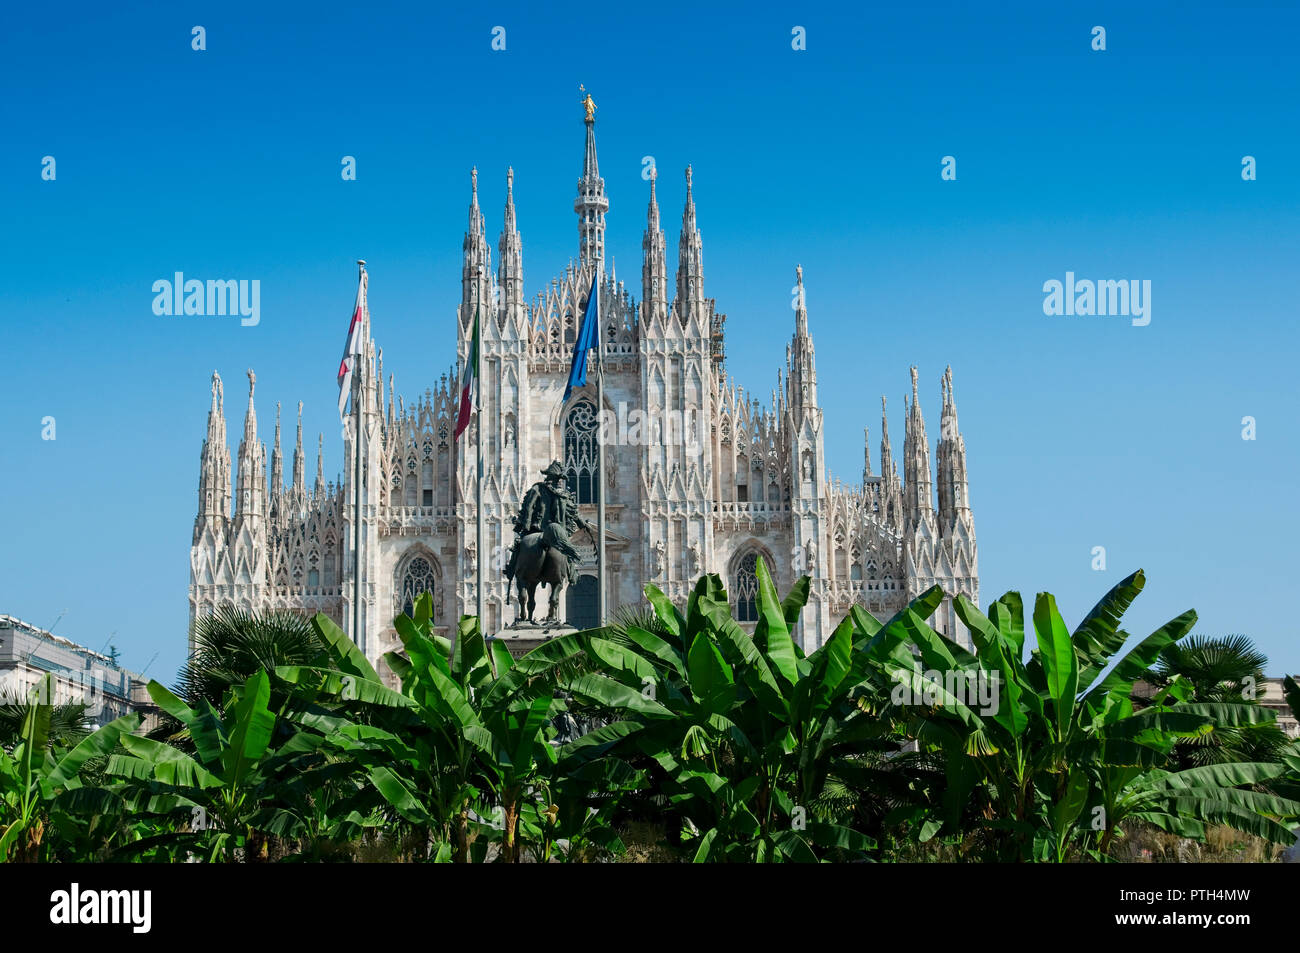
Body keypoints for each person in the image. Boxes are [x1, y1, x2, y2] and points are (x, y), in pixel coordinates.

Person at [505, 460, 594, 586]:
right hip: (559, 530)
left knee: (518, 546)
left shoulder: (537, 489)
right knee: (566, 551)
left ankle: (510, 570)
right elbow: (573, 514)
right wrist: (583, 525)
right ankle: (572, 574)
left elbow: (528, 508)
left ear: (548, 476)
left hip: (536, 529)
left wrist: (523, 525)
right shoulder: (564, 495)